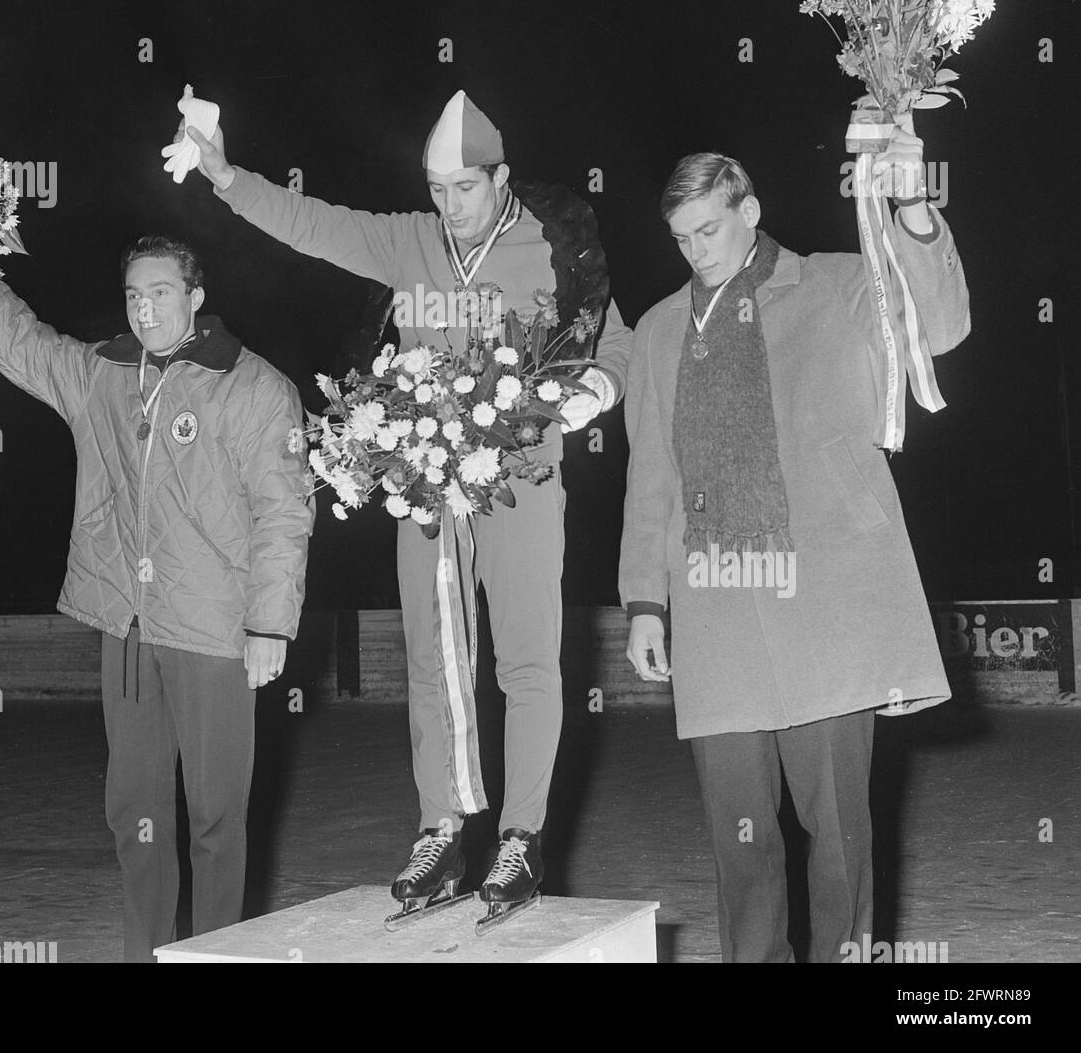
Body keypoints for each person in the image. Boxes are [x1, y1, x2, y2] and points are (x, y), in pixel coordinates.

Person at [177, 88, 632, 922]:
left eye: (464, 187)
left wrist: (596, 386)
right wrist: (224, 175)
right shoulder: (409, 241)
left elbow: (615, 335)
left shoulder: (553, 241)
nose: (450, 206)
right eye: (436, 188)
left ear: (501, 178)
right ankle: (441, 827)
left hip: (522, 476)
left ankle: (522, 840)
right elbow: (312, 223)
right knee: (431, 660)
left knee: (527, 660)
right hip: (426, 487)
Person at [620, 138, 969, 963]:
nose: (696, 250)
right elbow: (650, 478)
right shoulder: (659, 330)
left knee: (840, 835)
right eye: (682, 237)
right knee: (741, 847)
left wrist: (913, 207)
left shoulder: (843, 284)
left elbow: (944, 327)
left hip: (828, 605)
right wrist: (643, 600)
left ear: (751, 211)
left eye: (710, 229)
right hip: (716, 611)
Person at [0, 235, 314, 961]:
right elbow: (20, 340)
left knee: (214, 817)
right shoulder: (103, 374)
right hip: (131, 629)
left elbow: (285, 513)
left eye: (162, 293)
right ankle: (144, 952)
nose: (145, 309)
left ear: (196, 295)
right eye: (134, 296)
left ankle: (216, 953)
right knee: (134, 812)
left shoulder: (253, 386)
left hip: (214, 634)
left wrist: (270, 623)